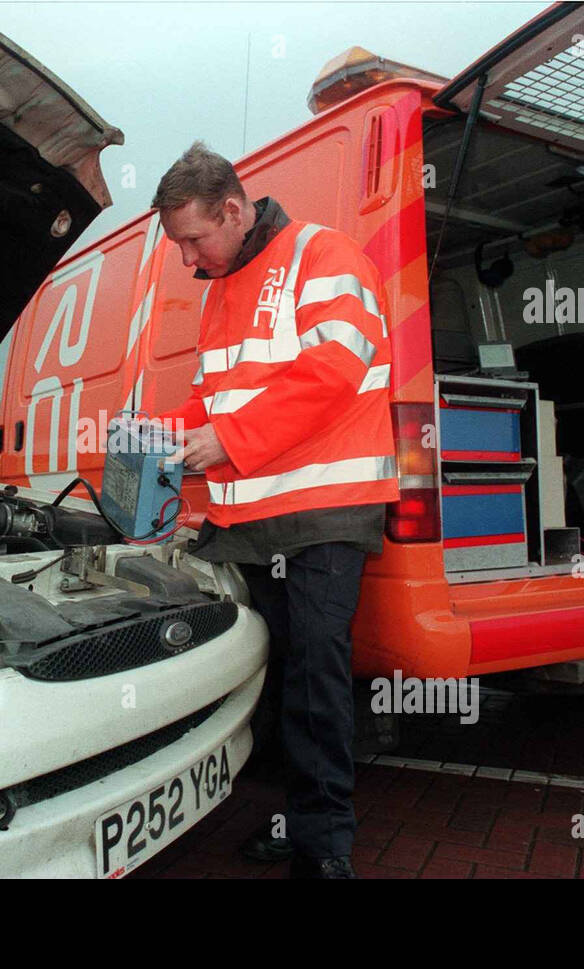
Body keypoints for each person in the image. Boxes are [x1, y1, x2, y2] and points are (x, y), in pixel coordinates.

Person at [150, 141, 398, 879]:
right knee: (285, 673)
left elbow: (334, 367)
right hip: (253, 523)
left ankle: (325, 847)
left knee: (317, 674)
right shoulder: (222, 285)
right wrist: (152, 438)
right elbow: (212, 399)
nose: (189, 260)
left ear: (232, 208)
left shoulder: (324, 254)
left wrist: (225, 436)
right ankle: (296, 820)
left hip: (324, 513)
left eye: (194, 238)